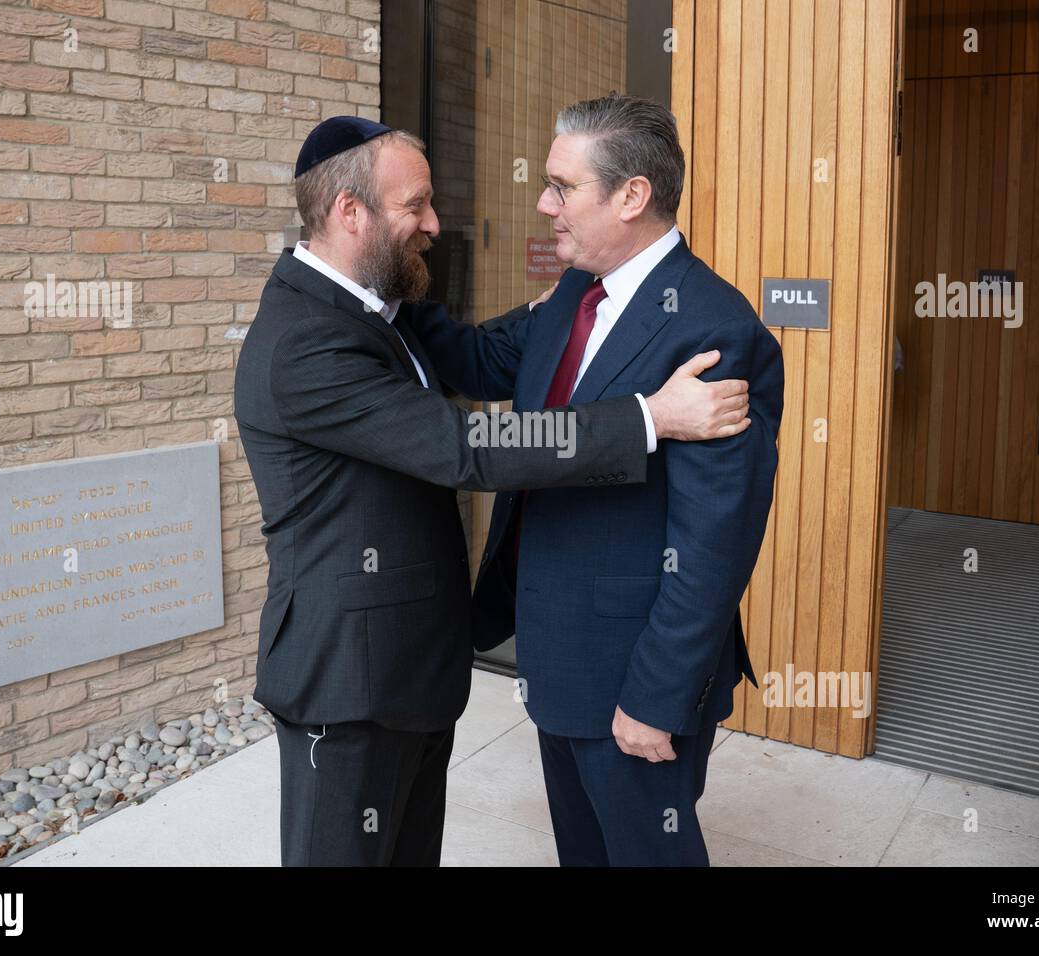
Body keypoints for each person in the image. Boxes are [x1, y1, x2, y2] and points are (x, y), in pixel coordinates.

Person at [232, 115, 753, 866]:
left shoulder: (383, 304)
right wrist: (649, 418)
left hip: (410, 670)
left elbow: (486, 354)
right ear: (352, 213)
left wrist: (569, 317)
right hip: (345, 678)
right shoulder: (306, 343)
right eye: (416, 206)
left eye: (561, 187)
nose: (436, 224)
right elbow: (470, 445)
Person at [410, 93, 784, 866]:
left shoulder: (716, 328)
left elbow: (714, 547)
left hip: (631, 674)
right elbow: (482, 360)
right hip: (555, 654)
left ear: (631, 195)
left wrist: (655, 699)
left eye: (562, 187)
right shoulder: (576, 291)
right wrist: (379, 285)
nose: (545, 205)